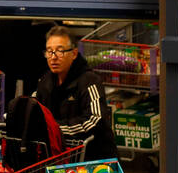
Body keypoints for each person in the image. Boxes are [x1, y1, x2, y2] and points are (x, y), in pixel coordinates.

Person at [34, 25, 119, 162]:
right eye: (49, 51)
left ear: (74, 53)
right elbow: (35, 110)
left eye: (60, 51)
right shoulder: (45, 81)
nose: (53, 57)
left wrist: (56, 130)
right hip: (63, 158)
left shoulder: (90, 80)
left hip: (95, 159)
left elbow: (95, 119)